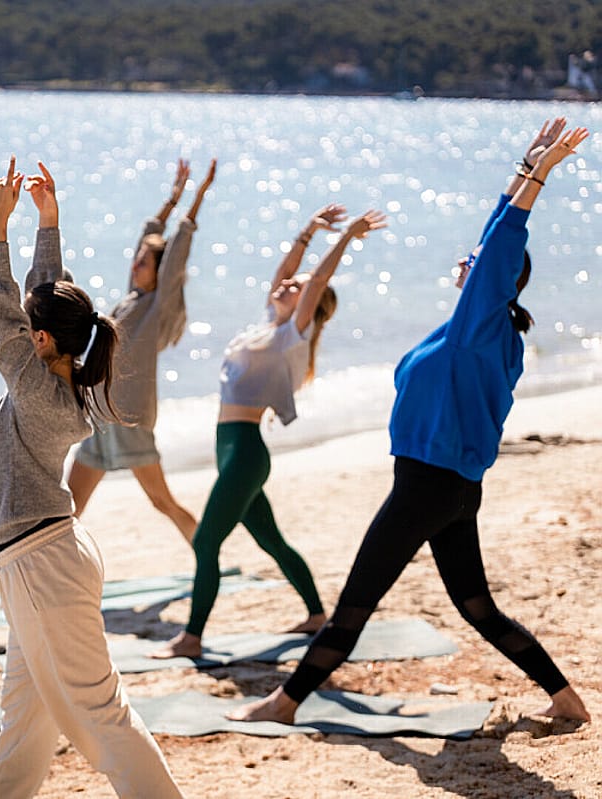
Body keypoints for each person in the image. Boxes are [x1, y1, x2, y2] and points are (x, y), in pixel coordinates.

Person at [227, 119, 592, 725]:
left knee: (355, 603)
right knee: (477, 605)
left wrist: (537, 175)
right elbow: (493, 238)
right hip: (450, 488)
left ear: (493, 281)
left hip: (425, 487)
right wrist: (519, 166)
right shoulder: (476, 330)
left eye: (473, 262)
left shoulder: (482, 323)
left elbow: (502, 239)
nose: (463, 258)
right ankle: (566, 699)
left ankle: (283, 703)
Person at [0, 157, 183, 799]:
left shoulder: (37, 390)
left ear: (39, 342)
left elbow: (0, 306)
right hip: (38, 561)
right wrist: (48, 221)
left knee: (102, 717)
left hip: (42, 565)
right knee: (23, 728)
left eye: (30, 335)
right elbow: (39, 301)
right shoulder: (57, 375)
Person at [152, 202, 388, 659]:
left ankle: (192, 637)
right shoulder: (268, 326)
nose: (286, 284)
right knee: (273, 542)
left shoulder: (291, 337)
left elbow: (315, 280)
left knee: (205, 543)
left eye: (296, 288)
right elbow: (289, 271)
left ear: (309, 307)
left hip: (244, 453)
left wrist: (345, 237)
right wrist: (308, 230)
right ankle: (318, 615)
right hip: (233, 451)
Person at [68, 158, 216, 544]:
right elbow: (149, 234)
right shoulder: (131, 299)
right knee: (69, 507)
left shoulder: (157, 305)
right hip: (98, 416)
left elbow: (177, 252)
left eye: (145, 262)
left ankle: (207, 554)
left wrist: (196, 200)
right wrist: (172, 199)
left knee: (161, 502)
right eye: (137, 259)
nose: (135, 264)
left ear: (159, 271)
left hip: (129, 419)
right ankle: (54, 576)